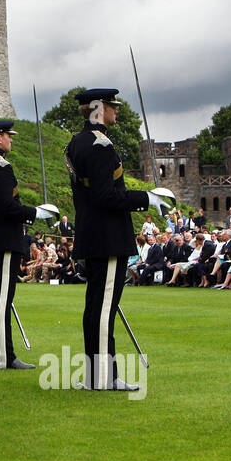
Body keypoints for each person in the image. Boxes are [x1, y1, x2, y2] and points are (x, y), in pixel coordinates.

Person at [64, 88, 170, 391]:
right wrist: (145, 198)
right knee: (102, 309)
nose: (116, 112)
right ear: (99, 109)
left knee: (96, 306)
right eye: (112, 106)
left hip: (94, 232)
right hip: (107, 234)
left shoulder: (77, 142)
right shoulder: (99, 145)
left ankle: (96, 375)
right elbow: (105, 195)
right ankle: (102, 377)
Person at [0, 119, 52, 369]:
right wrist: (35, 212)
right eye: (9, 136)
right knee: (1, 300)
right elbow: (7, 206)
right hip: (3, 238)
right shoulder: (0, 167)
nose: (11, 140)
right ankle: (3, 357)